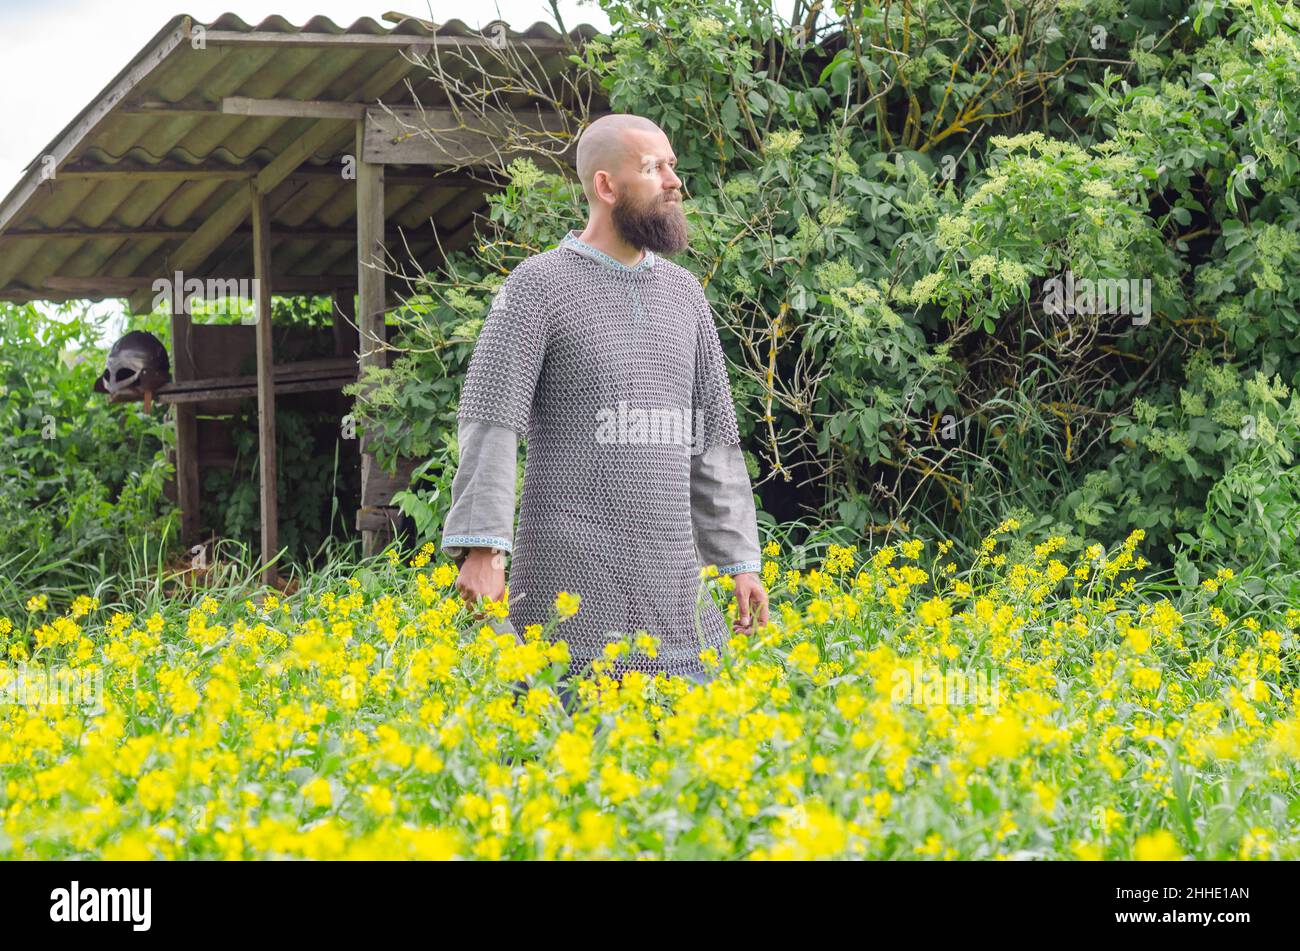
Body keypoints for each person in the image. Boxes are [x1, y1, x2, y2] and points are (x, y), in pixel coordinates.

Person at [440, 112, 769, 704]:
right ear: (607, 186)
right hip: (569, 586)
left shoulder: (684, 294)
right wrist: (484, 547)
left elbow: (712, 440)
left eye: (672, 165)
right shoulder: (539, 286)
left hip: (673, 593)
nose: (674, 181)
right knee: (567, 771)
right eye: (654, 168)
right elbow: (493, 419)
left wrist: (739, 560)